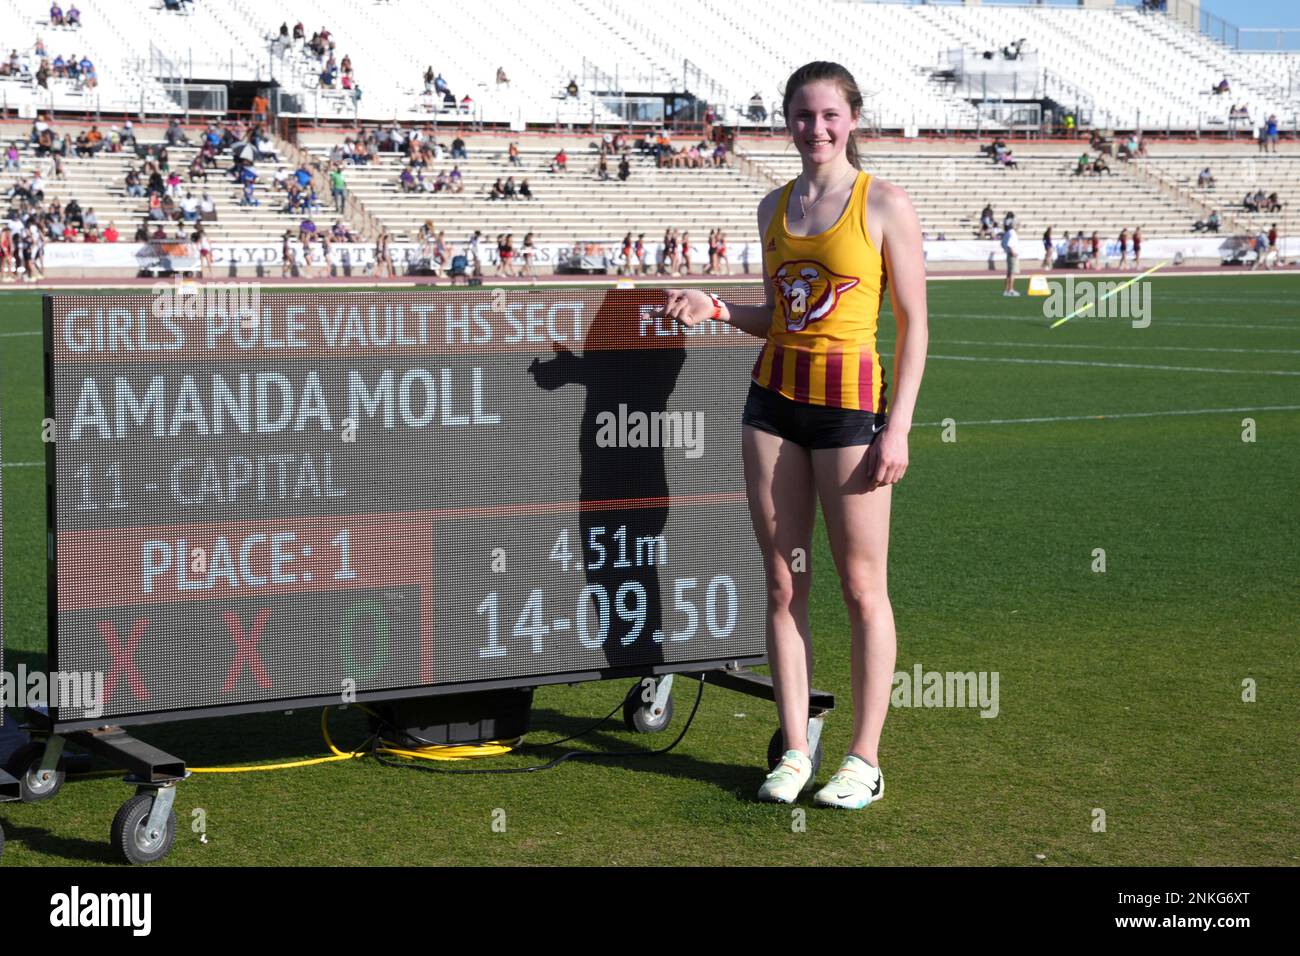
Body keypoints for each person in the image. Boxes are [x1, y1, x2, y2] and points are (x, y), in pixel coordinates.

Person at [650, 61, 927, 809]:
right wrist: (717, 308)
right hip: (772, 406)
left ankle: (864, 760)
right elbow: (782, 316)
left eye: (829, 115)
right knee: (783, 582)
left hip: (849, 416)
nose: (816, 128)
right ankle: (797, 750)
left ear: (853, 119)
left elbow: (915, 326)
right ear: (787, 122)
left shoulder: (884, 204)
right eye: (803, 116)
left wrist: (896, 427)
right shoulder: (772, 207)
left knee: (863, 588)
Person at [1002, 222, 1019, 295]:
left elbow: (1002, 243)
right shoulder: (1013, 233)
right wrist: (1013, 252)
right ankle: (1010, 290)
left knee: (1009, 273)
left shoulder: (1007, 233)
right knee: (1012, 273)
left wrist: (1006, 250)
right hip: (1012, 255)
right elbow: (1010, 244)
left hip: (1008, 254)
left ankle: (1006, 290)